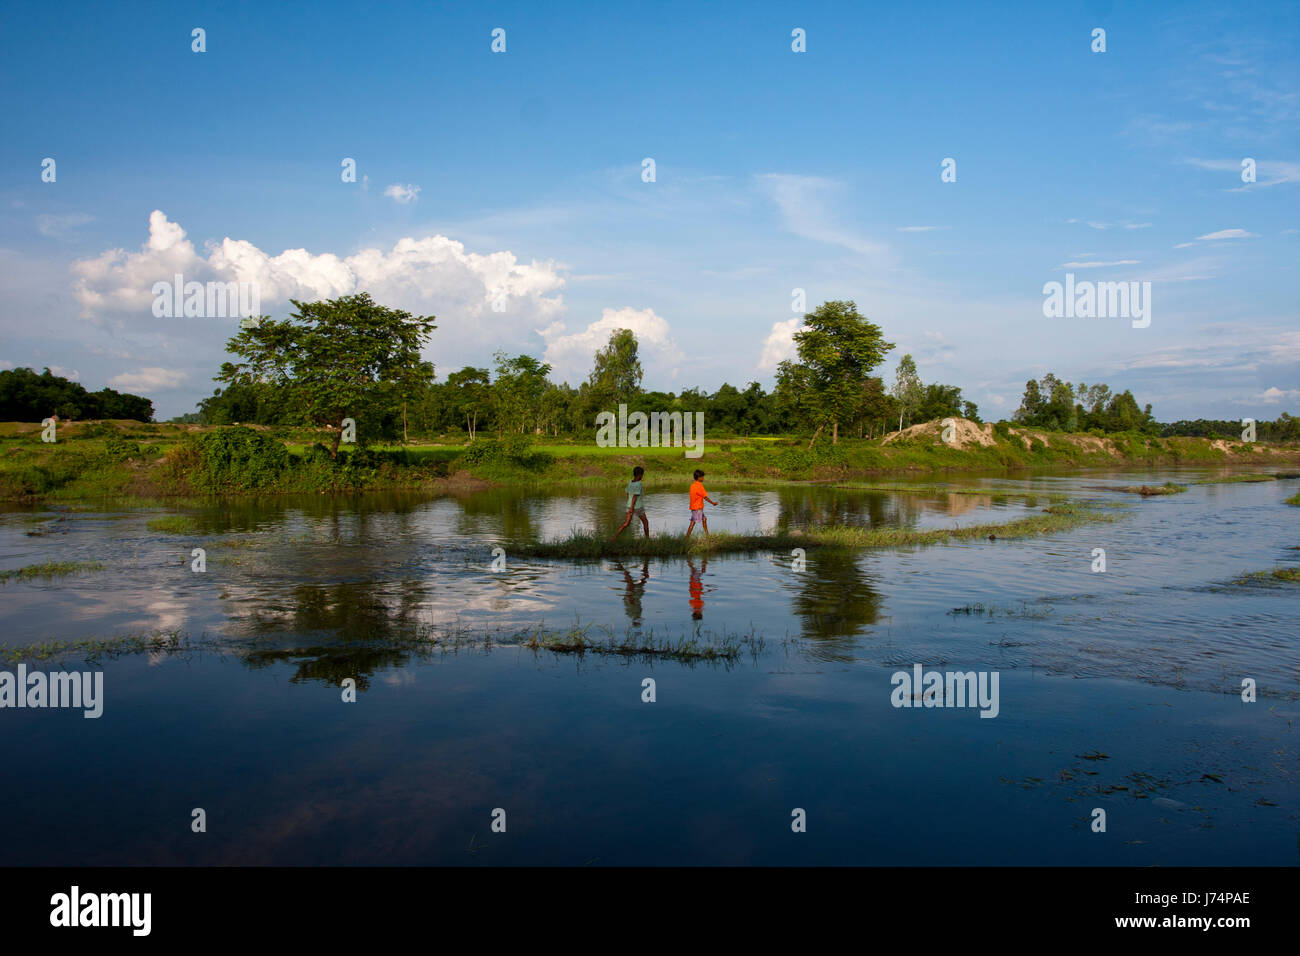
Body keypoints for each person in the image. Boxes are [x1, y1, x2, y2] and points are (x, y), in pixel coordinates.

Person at [612, 465, 650, 540]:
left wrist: (630, 506)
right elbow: (635, 497)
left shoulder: (630, 482)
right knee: (645, 522)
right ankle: (647, 540)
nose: (642, 476)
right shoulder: (639, 484)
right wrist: (632, 508)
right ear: (639, 475)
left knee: (626, 523)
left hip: (629, 506)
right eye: (642, 475)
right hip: (637, 507)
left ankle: (614, 537)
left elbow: (627, 493)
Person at [684, 468, 717, 542]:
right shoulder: (699, 486)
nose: (703, 478)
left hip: (694, 507)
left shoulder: (692, 485)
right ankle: (686, 538)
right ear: (699, 478)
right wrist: (713, 503)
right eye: (702, 477)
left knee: (704, 519)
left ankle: (707, 536)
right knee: (693, 522)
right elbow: (705, 497)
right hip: (698, 507)